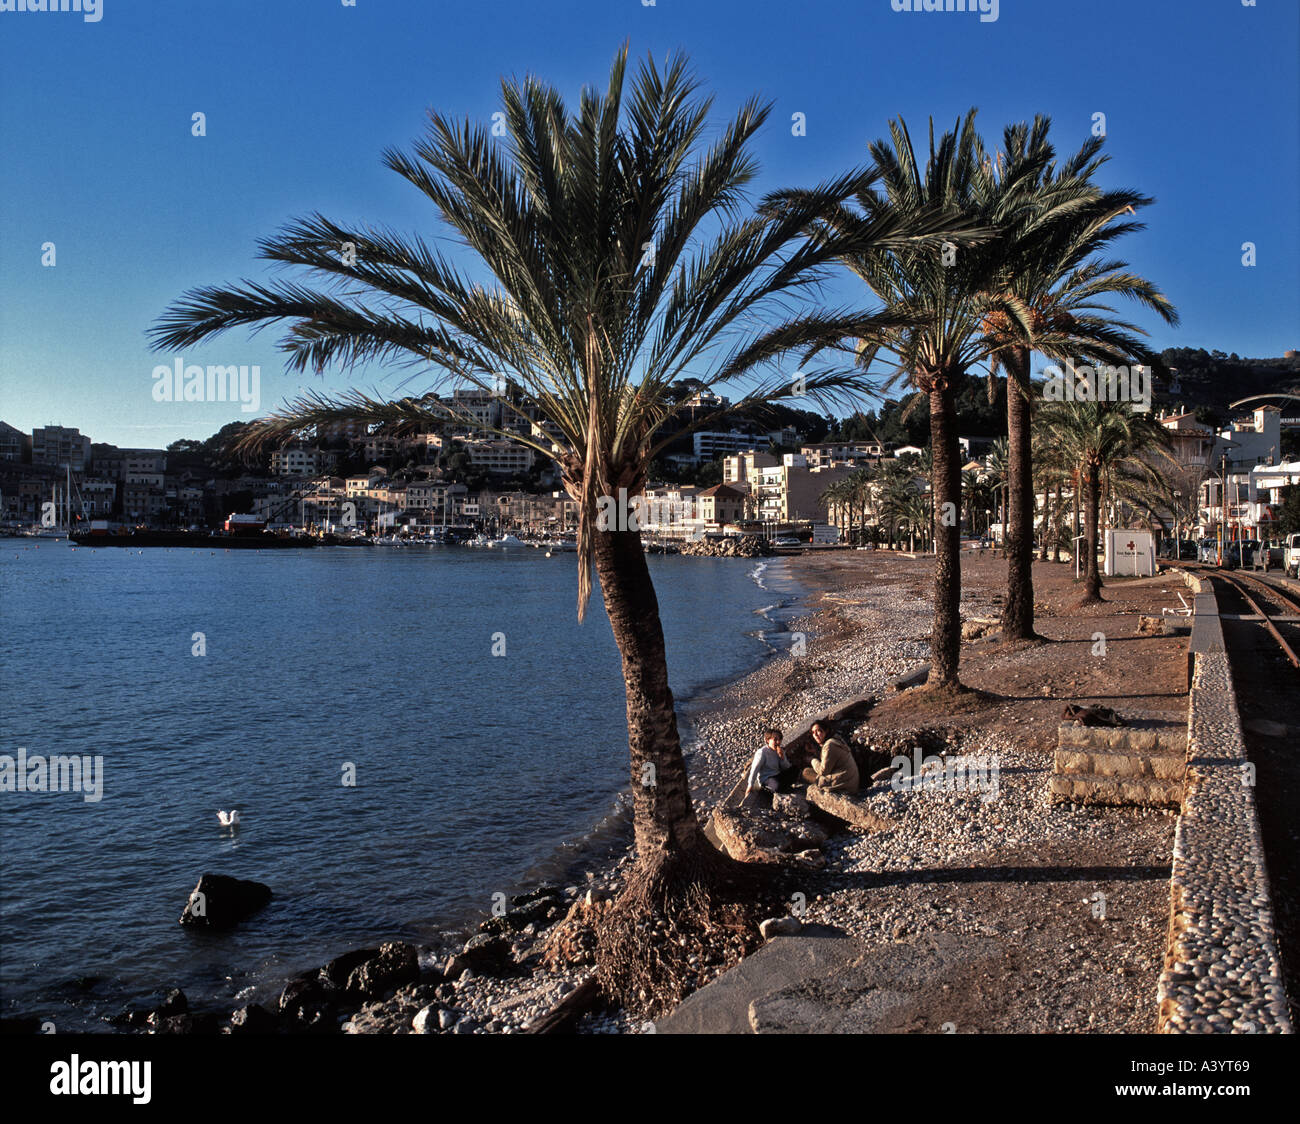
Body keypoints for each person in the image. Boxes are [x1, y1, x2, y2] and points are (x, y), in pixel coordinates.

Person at [800, 721, 860, 793]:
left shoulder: (830, 745)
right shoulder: (836, 739)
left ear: (826, 730)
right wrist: (815, 752)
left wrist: (812, 760)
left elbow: (823, 771)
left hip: (843, 784)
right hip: (850, 781)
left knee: (806, 772)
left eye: (818, 731)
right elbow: (830, 759)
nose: (815, 735)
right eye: (813, 732)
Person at [746, 727, 790, 798]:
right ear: (767, 740)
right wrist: (750, 785)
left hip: (777, 775)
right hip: (767, 779)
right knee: (776, 786)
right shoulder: (762, 752)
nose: (778, 742)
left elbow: (786, 767)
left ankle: (783, 788)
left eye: (779, 739)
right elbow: (755, 769)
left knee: (795, 770)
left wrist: (782, 758)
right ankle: (769, 791)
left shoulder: (780, 751)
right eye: (775, 739)